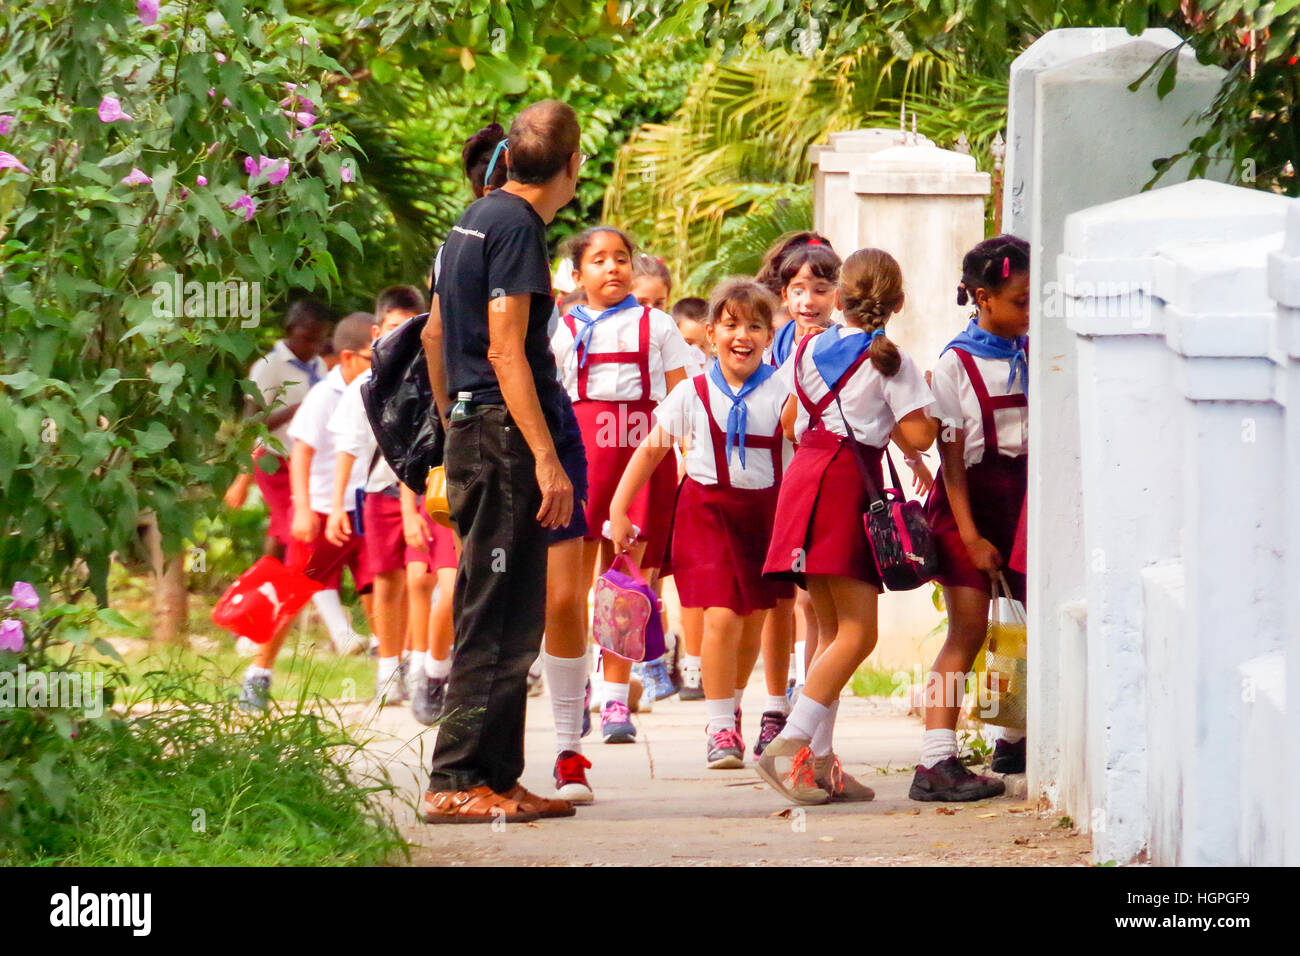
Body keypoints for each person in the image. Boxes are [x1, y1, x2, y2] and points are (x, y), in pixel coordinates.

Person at [418, 100, 582, 824]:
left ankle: (497, 777)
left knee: (517, 617)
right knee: (493, 613)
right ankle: (453, 779)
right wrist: (545, 457)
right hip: (505, 437)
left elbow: (431, 337)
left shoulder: (473, 220)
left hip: (475, 428)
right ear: (572, 165)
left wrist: (450, 418)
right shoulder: (517, 228)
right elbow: (506, 348)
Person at [759, 248, 938, 804]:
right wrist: (933, 404)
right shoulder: (893, 362)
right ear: (898, 302)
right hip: (844, 485)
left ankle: (818, 763)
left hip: (805, 480)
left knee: (830, 632)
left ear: (839, 297)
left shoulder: (807, 345)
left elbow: (789, 421)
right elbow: (920, 439)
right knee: (860, 634)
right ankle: (789, 744)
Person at [610, 279, 793, 767]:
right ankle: (718, 728)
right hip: (705, 512)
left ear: (769, 335)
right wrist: (618, 508)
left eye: (755, 325)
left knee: (753, 620)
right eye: (731, 325)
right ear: (711, 334)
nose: (743, 335)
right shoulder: (690, 392)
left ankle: (731, 706)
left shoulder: (784, 391)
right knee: (721, 615)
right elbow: (651, 450)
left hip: (765, 515)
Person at [550, 226, 692, 744]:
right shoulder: (563, 330)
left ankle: (615, 700)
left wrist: (688, 456)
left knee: (626, 586)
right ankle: (578, 689)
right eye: (599, 259)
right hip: (582, 457)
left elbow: (683, 400)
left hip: (642, 454)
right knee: (569, 589)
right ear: (577, 272)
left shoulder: (657, 325)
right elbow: (552, 401)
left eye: (621, 258)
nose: (612, 268)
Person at [911, 235, 1030, 800]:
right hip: (970, 505)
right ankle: (936, 761)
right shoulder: (954, 365)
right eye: (1021, 301)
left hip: (1025, 500)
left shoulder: (1033, 353)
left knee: (1020, 623)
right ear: (982, 298)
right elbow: (951, 463)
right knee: (969, 629)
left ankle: (1010, 736)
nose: (1030, 313)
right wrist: (972, 536)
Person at [238, 314, 377, 711]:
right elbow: (301, 453)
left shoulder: (377, 390)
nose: (379, 363)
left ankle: (396, 672)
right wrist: (301, 508)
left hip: (364, 507)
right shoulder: (324, 395)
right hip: (319, 510)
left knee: (378, 589)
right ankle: (257, 675)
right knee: (296, 593)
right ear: (348, 358)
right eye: (372, 356)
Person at [326, 287, 448, 715]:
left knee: (423, 580)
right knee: (387, 584)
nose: (402, 337)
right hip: (377, 493)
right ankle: (387, 669)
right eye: (394, 329)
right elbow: (348, 446)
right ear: (378, 331)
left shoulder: (432, 376)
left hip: (422, 492)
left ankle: (420, 666)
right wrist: (338, 504)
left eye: (411, 329)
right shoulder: (367, 383)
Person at [223, 300, 332, 561]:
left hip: (307, 461)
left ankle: (268, 584)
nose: (313, 348)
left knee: (281, 527)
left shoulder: (319, 366)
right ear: (290, 330)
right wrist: (296, 410)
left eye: (319, 341)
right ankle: (288, 585)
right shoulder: (269, 367)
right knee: (293, 523)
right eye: (307, 339)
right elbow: (251, 423)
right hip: (275, 460)